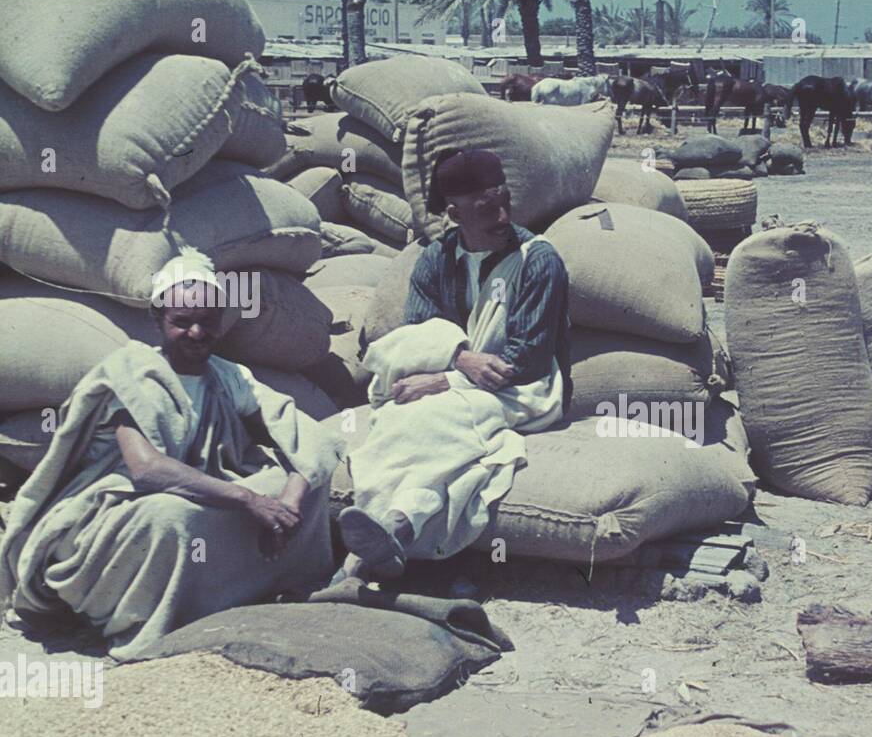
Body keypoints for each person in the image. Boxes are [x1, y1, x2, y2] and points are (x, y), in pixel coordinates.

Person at [0, 249, 339, 659]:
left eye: (208, 321)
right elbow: (147, 470)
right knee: (171, 518)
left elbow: (301, 434)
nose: (198, 333)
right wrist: (249, 500)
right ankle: (152, 612)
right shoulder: (131, 373)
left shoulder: (228, 376)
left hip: (201, 493)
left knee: (306, 478)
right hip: (114, 514)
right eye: (183, 322)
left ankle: (271, 582)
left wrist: (287, 500)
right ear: (157, 320)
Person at [336, 148, 569, 580]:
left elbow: (528, 359)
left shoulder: (539, 260)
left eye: (504, 202)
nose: (501, 216)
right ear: (453, 212)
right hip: (453, 381)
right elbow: (418, 338)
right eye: (485, 208)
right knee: (399, 420)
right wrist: (459, 361)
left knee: (440, 419)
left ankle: (379, 543)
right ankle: (391, 532)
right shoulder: (435, 259)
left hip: (525, 390)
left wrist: (445, 380)